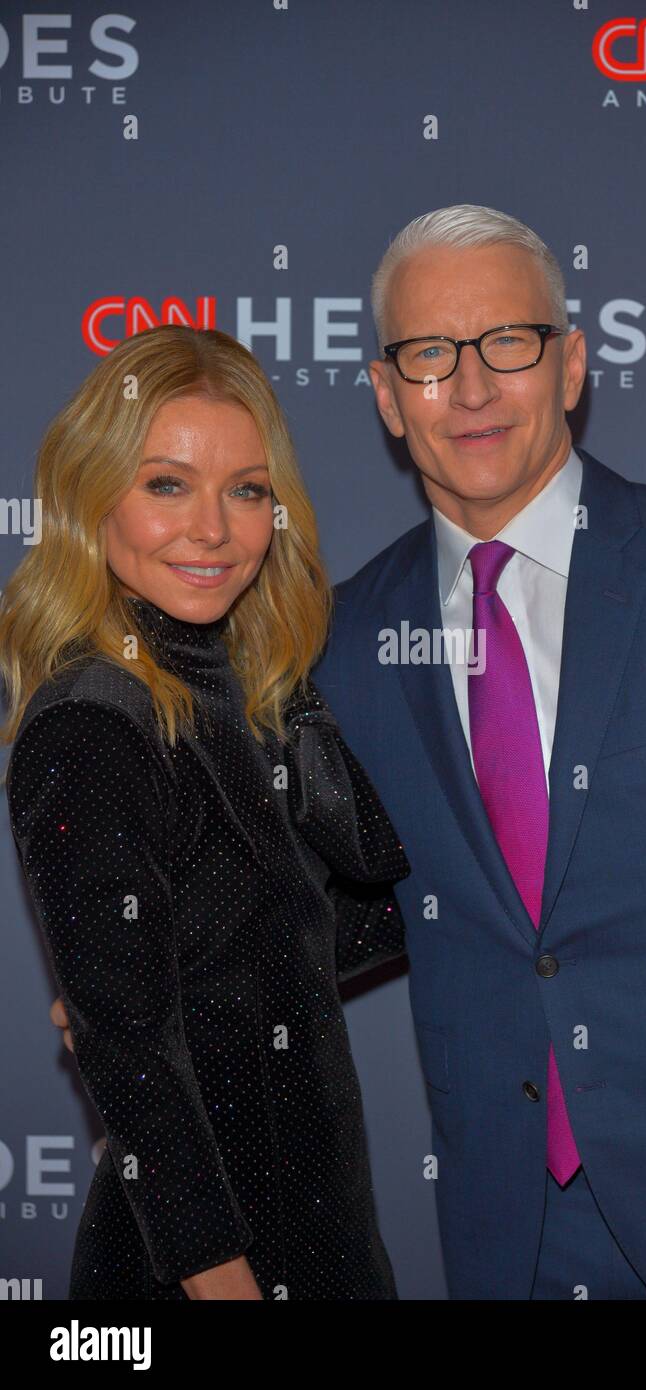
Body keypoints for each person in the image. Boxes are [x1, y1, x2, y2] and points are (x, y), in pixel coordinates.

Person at [310, 204, 646, 1300]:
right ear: (385, 393)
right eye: (428, 354)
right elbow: (306, 910)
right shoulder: (339, 647)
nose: (470, 387)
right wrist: (144, 974)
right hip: (505, 1244)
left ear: (569, 366)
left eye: (507, 343)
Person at [2, 324, 409, 1301]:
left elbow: (360, 918)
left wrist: (159, 984)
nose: (214, 528)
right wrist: (223, 1284)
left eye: (247, 489)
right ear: (93, 499)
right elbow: (133, 1059)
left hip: (321, 1221)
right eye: (167, 484)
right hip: (201, 1263)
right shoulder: (93, 719)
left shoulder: (251, 688)